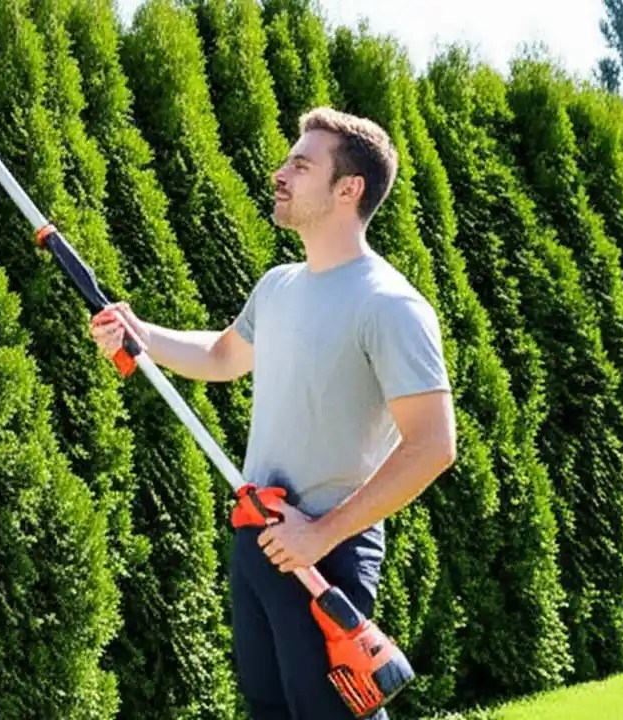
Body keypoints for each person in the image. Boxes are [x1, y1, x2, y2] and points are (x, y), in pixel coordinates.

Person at [89, 107, 457, 719]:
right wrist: (142, 333)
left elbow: (433, 445)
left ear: (349, 189)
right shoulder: (279, 286)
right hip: (258, 535)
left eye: (301, 164)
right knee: (268, 709)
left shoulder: (390, 304)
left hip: (328, 549)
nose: (279, 174)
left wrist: (320, 535)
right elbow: (223, 354)